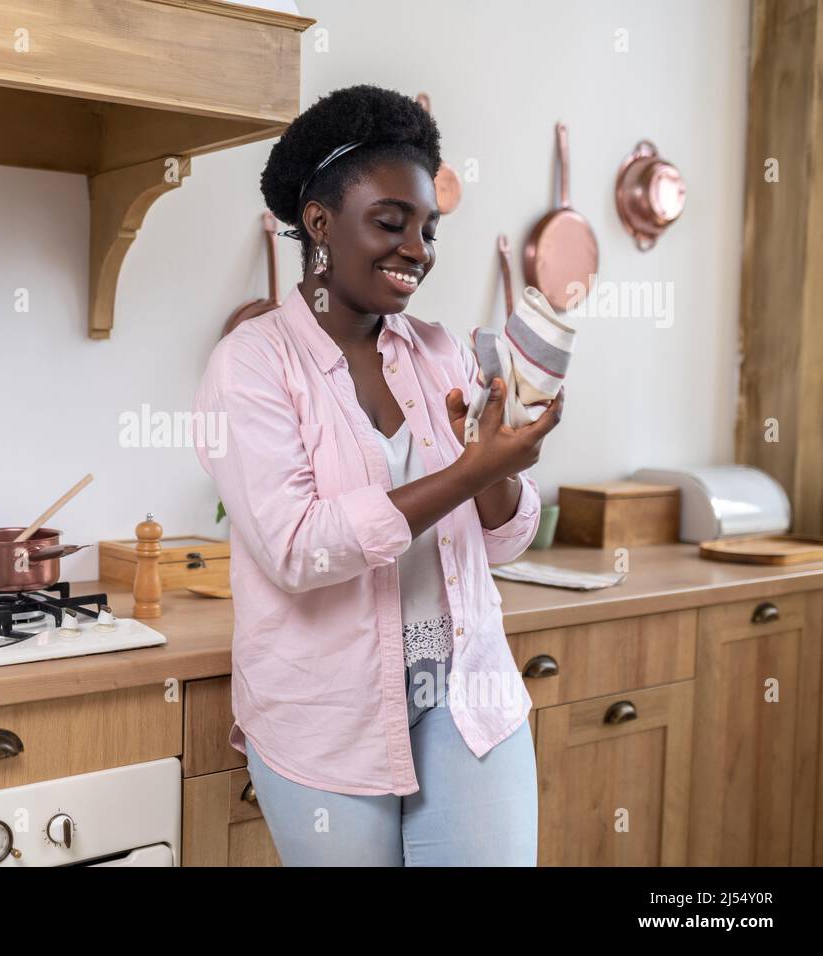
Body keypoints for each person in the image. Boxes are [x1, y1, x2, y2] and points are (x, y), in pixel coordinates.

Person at [192, 84, 565, 866]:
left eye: (427, 229)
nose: (418, 249)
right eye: (391, 223)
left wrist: (500, 464)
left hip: (468, 696)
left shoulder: (439, 351)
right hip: (325, 716)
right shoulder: (252, 364)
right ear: (320, 224)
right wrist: (470, 471)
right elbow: (297, 551)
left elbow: (503, 539)